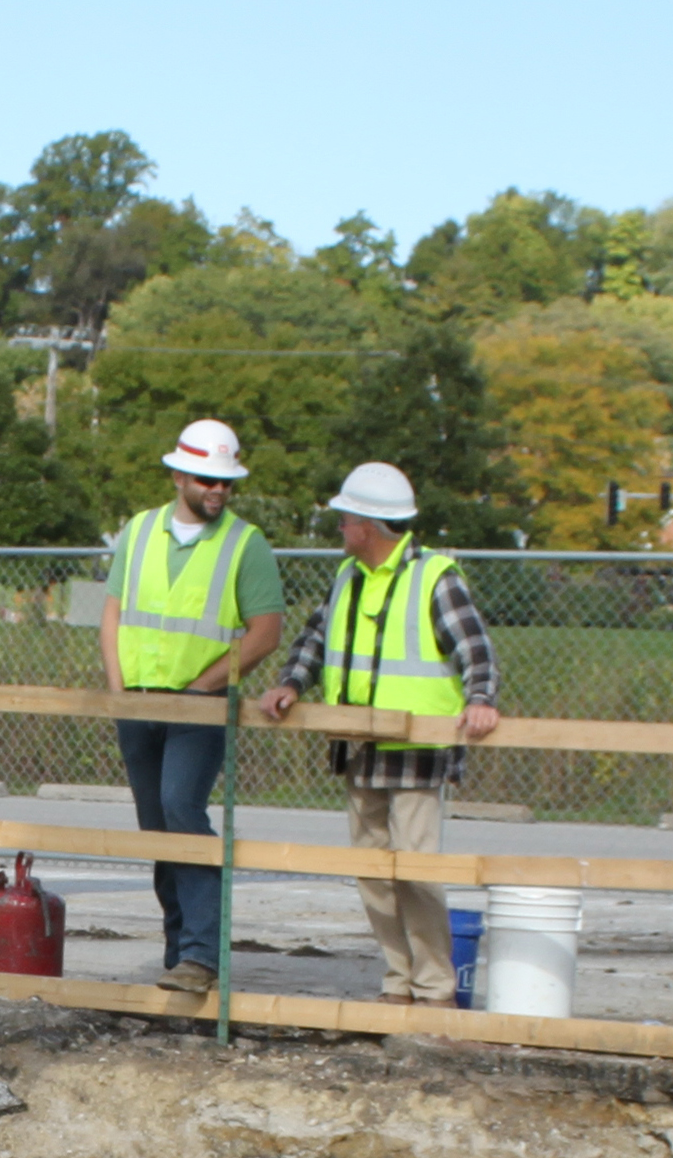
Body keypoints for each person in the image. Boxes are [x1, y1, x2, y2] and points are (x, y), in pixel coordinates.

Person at [259, 463, 502, 1007]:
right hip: (358, 747)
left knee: (416, 872)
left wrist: (481, 699)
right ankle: (398, 982)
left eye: (345, 519)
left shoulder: (435, 578)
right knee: (372, 874)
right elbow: (313, 640)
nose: (341, 527)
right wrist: (290, 684)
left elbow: (476, 651)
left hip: (417, 750)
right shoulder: (347, 578)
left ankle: (434, 986)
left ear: (366, 525)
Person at [101, 421, 285, 994]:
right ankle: (178, 952)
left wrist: (206, 687)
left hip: (199, 705)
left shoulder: (243, 543)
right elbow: (113, 611)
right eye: (209, 479)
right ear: (178, 475)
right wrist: (118, 688)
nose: (219, 491)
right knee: (156, 828)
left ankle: (202, 955)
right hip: (139, 701)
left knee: (183, 810)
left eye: (227, 482)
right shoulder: (139, 531)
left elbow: (266, 631)